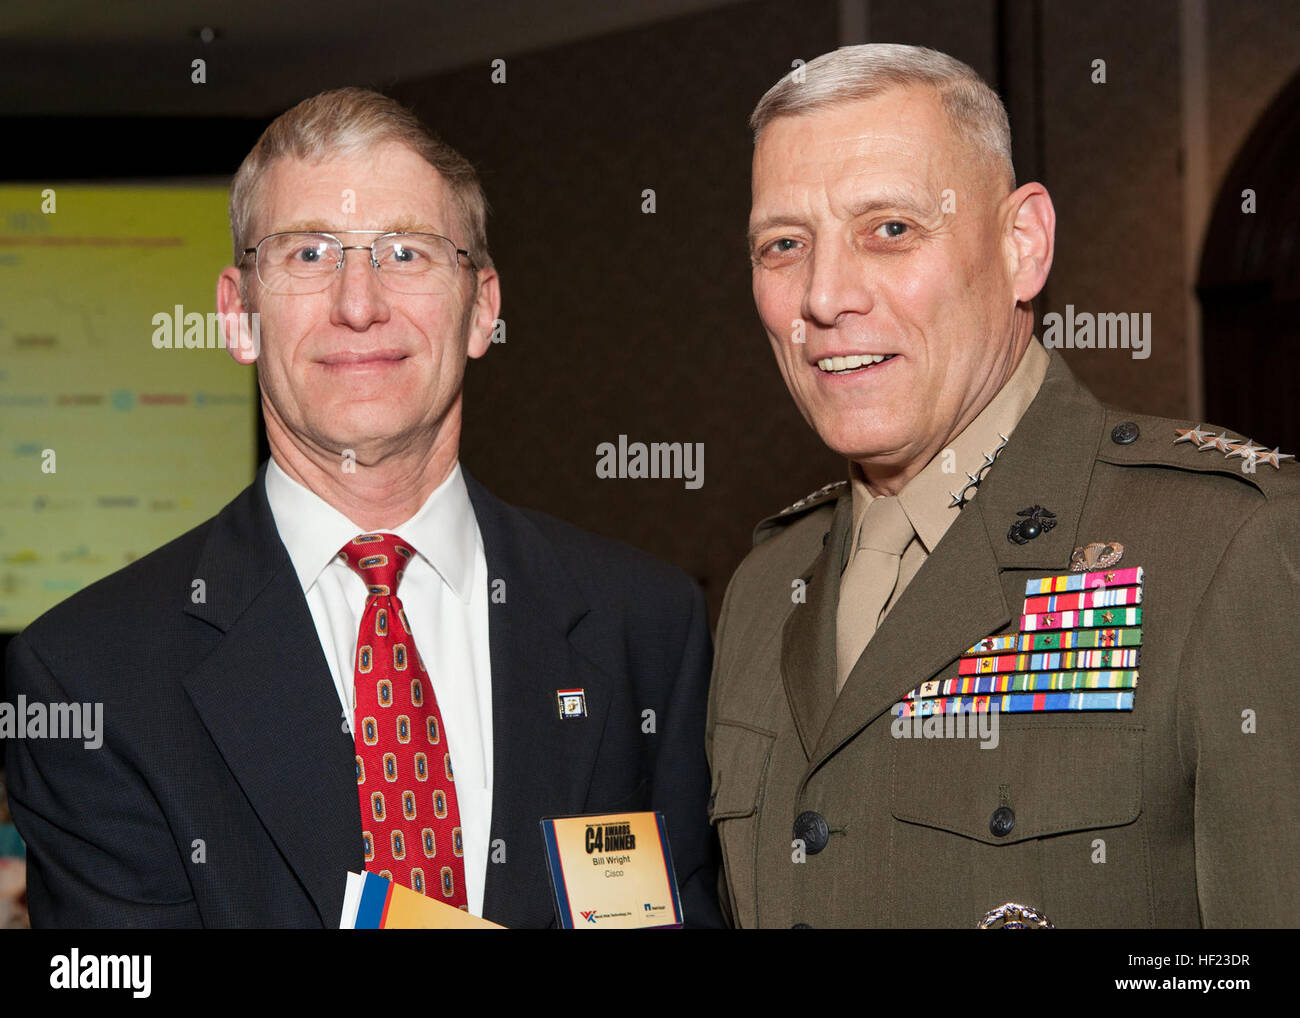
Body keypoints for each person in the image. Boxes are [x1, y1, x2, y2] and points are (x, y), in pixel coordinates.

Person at [3, 87, 719, 928]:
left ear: (482, 308)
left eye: (406, 252)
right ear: (239, 316)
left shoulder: (645, 627)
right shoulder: (93, 676)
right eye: (309, 254)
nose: (358, 302)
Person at [706, 44, 1300, 928]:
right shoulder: (765, 587)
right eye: (784, 245)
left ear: (1022, 245)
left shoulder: (1224, 545)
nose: (825, 297)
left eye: (892, 229)